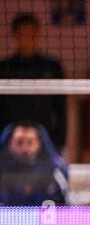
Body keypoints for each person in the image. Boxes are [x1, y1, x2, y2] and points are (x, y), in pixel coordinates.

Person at [0, 14, 67, 152]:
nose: (27, 39)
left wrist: (59, 142)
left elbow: (61, 108)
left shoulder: (52, 67)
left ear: (37, 35)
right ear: (15, 37)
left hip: (43, 143)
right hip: (8, 144)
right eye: (22, 35)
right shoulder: (4, 68)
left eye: (31, 34)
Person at [0, 122, 68, 206]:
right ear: (10, 144)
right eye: (19, 142)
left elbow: (63, 209)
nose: (25, 149)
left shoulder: (56, 172)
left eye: (30, 142)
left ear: (39, 143)